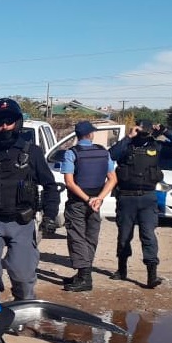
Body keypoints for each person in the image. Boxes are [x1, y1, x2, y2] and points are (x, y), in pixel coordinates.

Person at [0, 98, 59, 301]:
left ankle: (24, 315)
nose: (4, 127)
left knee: (23, 274)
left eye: (8, 122)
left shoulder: (32, 152)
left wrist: (50, 215)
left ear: (17, 123)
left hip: (22, 222)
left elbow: (51, 186)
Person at [108, 119, 172, 288]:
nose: (142, 132)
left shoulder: (156, 147)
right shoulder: (127, 146)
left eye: (146, 130)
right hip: (126, 197)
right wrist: (129, 137)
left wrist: (166, 131)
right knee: (124, 236)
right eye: (140, 129)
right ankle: (121, 270)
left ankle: (152, 275)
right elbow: (111, 155)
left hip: (148, 198)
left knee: (148, 236)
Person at [62, 120, 117, 292]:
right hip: (96, 203)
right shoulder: (103, 152)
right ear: (91, 134)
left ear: (77, 136)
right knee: (91, 237)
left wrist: (88, 199)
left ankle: (85, 278)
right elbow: (113, 179)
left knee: (77, 237)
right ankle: (82, 274)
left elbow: (69, 183)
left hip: (79, 202)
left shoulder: (71, 153)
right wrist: (98, 199)